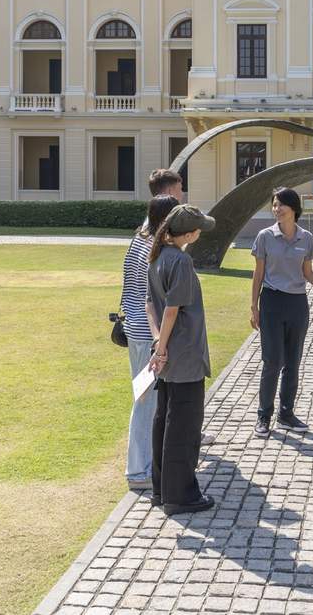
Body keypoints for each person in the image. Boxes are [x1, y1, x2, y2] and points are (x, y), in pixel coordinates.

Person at [250, 187, 313, 437]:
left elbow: (308, 273)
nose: (277, 209)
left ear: (294, 208)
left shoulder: (306, 238)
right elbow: (258, 275)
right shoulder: (264, 236)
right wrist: (254, 307)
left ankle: (286, 414)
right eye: (274, 205)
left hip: (297, 304)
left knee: (292, 362)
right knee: (272, 361)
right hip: (272, 301)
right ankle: (263, 415)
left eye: (281, 205)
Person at [147, 204, 217, 515]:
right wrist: (162, 348)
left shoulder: (157, 256)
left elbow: (151, 305)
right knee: (184, 427)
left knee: (164, 419)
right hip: (184, 353)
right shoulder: (181, 261)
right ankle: (180, 495)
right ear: (188, 235)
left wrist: (158, 345)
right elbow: (172, 310)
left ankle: (161, 489)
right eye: (198, 229)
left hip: (167, 354)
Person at [119, 194, 179, 491]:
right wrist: (161, 340)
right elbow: (154, 297)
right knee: (145, 400)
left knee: (145, 398)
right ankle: (137, 471)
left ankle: (145, 464)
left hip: (134, 328)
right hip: (147, 334)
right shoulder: (154, 249)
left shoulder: (138, 240)